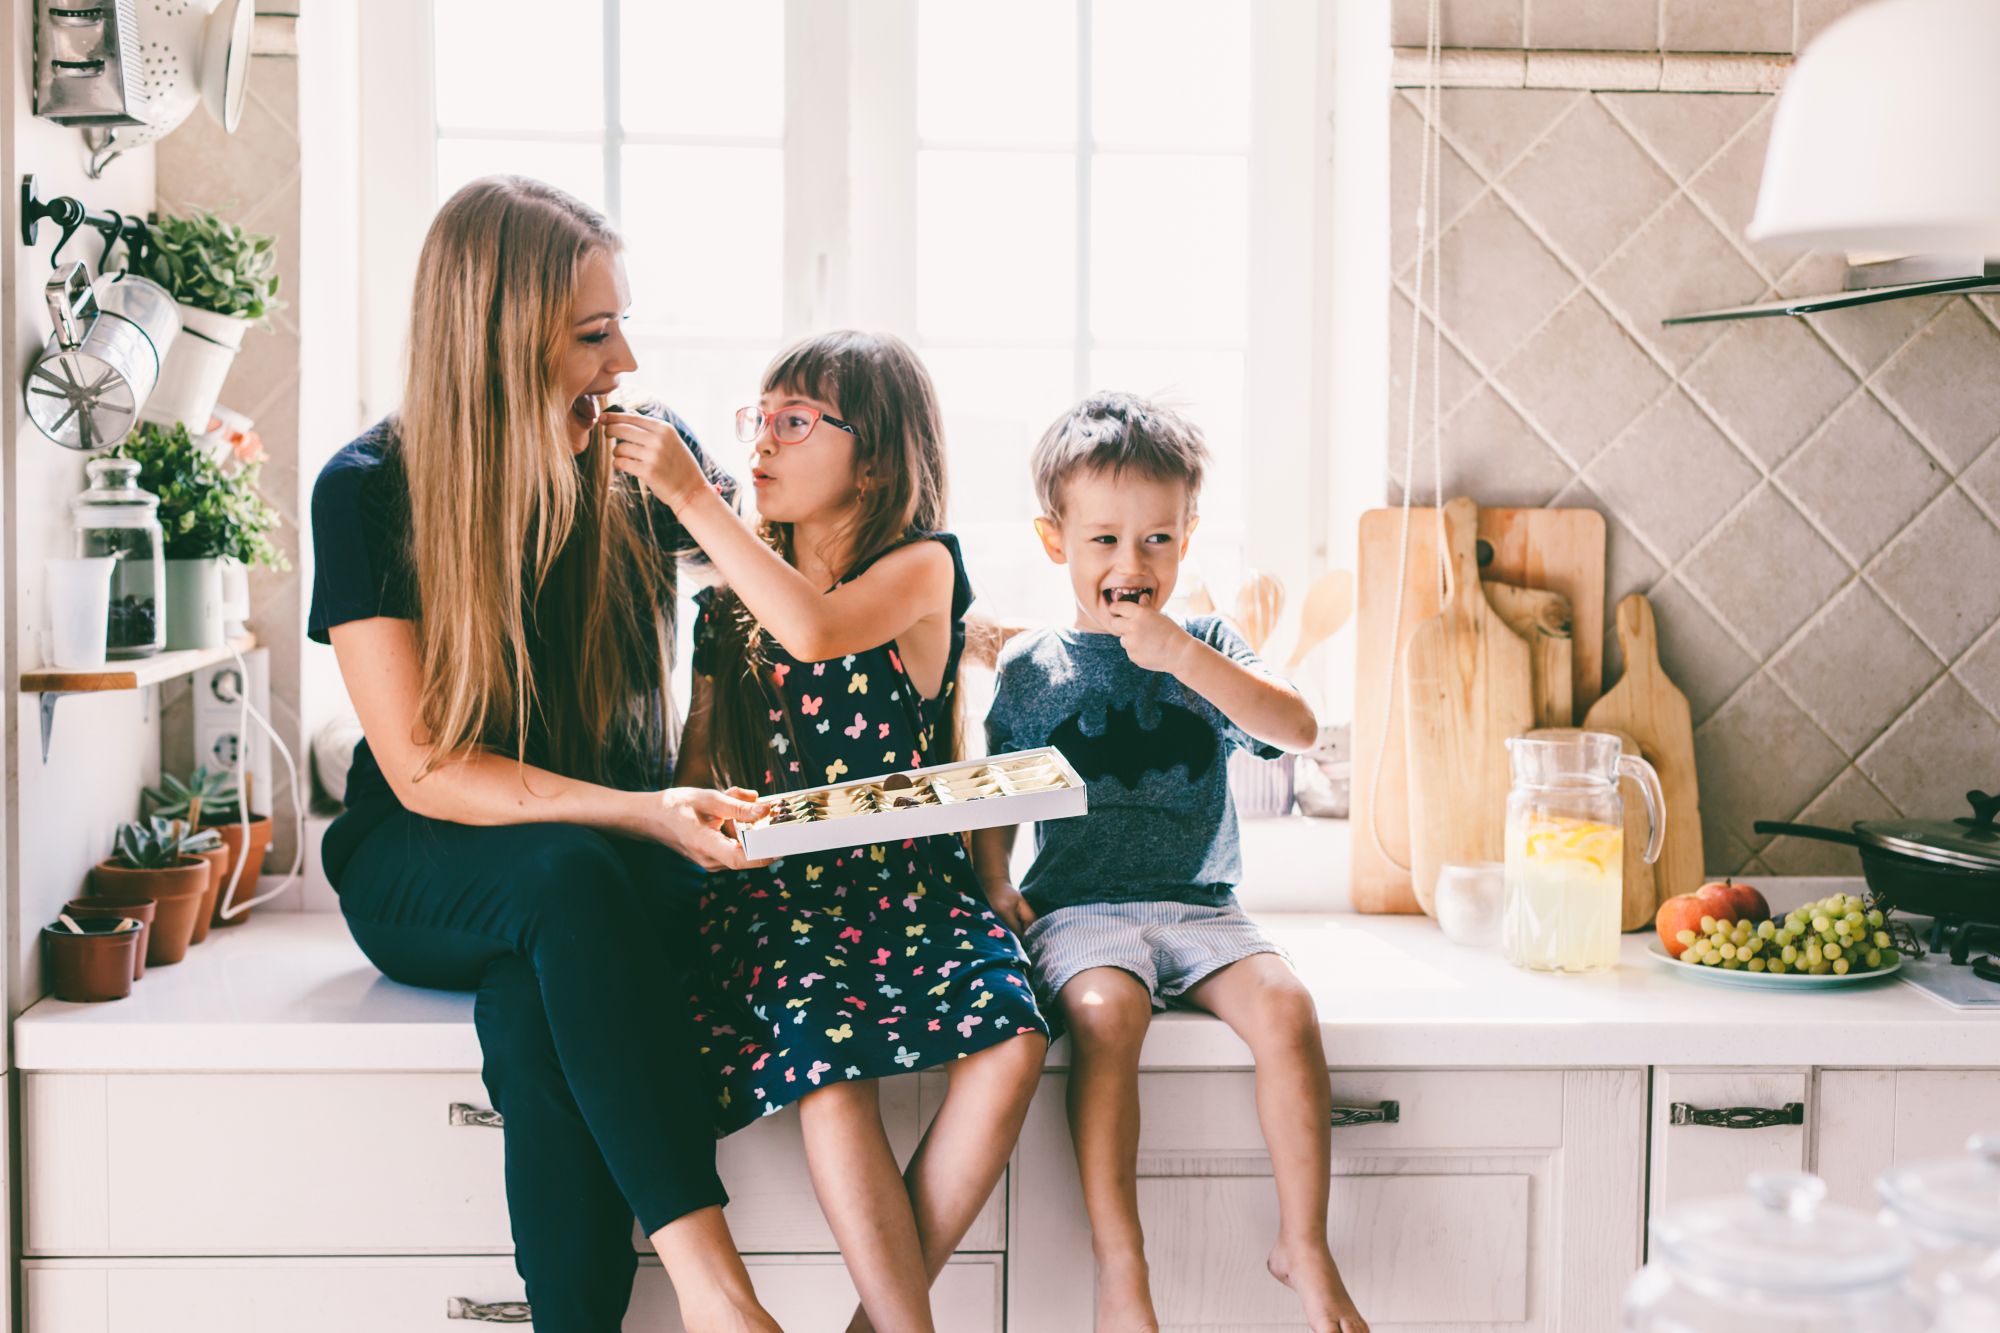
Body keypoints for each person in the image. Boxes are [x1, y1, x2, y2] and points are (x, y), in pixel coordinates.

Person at [309, 176, 781, 1333]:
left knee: (535, 1005)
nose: (623, 357)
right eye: (590, 332)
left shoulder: (634, 462)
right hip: (427, 861)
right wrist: (636, 810)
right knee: (563, 882)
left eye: (619, 321)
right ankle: (722, 1297)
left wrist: (695, 494)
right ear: (498, 338)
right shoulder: (368, 493)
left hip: (597, 888)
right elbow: (422, 770)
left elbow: (789, 601)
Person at [602, 330, 1050, 1333]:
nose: (763, 440)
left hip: (910, 882)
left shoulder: (922, 568)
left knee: (1016, 1039)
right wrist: (689, 841)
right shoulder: (730, 606)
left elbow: (813, 626)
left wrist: (689, 494)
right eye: (756, 419)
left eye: (795, 420)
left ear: (878, 457)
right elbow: (697, 768)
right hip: (778, 898)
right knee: (828, 1070)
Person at [973, 393, 1370, 1333]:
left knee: (1287, 1005)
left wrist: (1185, 656)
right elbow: (996, 788)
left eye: (1157, 539)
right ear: (1053, 540)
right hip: (1082, 907)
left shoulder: (1212, 647)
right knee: (1109, 1012)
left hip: (1203, 905)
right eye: (1104, 539)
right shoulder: (1034, 667)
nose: (1131, 564)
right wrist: (993, 879)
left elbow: (1298, 729)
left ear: (1188, 539)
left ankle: (1304, 1245)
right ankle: (1123, 1265)